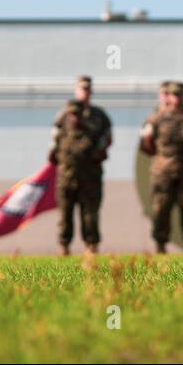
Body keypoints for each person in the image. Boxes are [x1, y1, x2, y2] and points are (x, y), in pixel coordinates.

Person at [140, 81, 183, 253]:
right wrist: (162, 158)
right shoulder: (156, 117)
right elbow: (146, 144)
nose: (176, 98)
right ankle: (160, 244)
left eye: (179, 95)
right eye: (173, 95)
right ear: (168, 96)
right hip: (163, 170)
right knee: (161, 208)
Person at [50, 76, 112, 255]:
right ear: (76, 90)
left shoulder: (99, 116)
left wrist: (98, 152)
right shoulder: (63, 115)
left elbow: (107, 139)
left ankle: (91, 246)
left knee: (90, 214)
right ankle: (64, 246)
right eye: (82, 89)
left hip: (90, 175)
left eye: (87, 89)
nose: (85, 93)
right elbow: (54, 142)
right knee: (65, 215)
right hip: (67, 175)